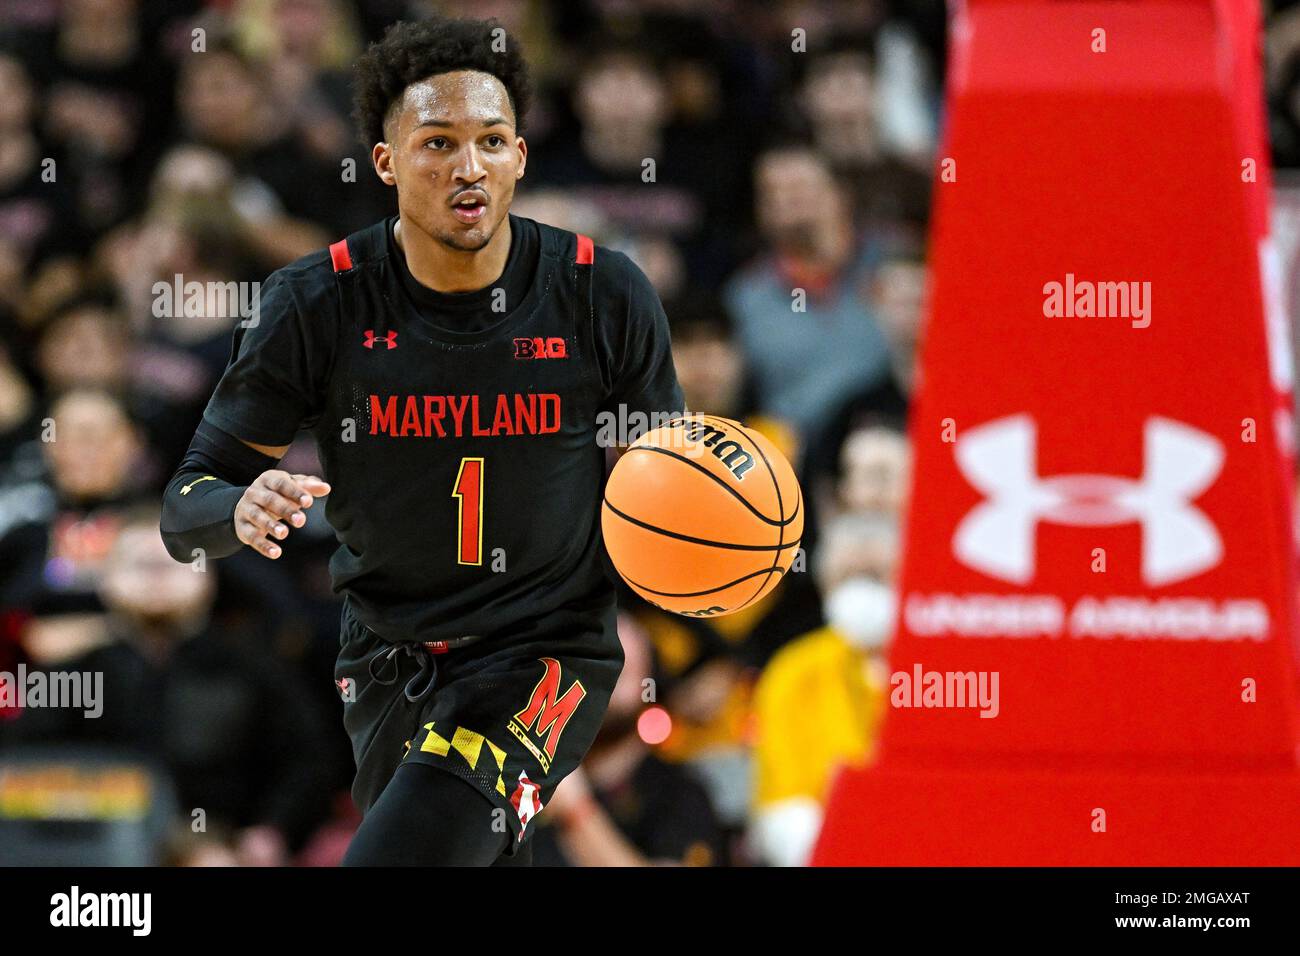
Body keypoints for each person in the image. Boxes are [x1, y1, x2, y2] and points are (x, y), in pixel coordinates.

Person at [160, 15, 684, 867]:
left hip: (544, 655)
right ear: (386, 162)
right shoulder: (315, 301)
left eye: (492, 141)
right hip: (383, 659)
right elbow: (186, 502)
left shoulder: (603, 290)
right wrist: (236, 507)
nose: (468, 167)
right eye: (437, 142)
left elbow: (670, 484)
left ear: (520, 156)